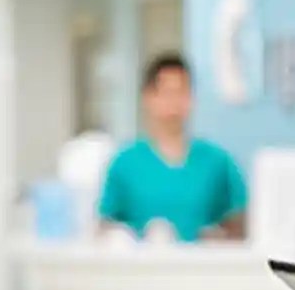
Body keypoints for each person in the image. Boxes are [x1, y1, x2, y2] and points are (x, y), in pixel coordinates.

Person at [99, 53, 248, 242]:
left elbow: (239, 225)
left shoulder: (217, 162)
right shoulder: (125, 164)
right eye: (166, 93)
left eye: (181, 92)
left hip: (203, 269)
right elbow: (104, 226)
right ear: (148, 97)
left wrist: (219, 238)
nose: (174, 103)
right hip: (141, 269)